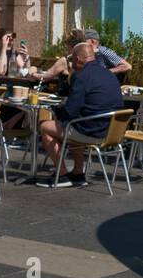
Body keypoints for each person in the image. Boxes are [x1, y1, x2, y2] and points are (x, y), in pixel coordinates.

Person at [38, 42, 126, 186]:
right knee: (75, 123)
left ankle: (62, 175)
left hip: (92, 132)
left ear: (78, 59)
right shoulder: (109, 74)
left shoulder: (82, 76)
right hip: (110, 131)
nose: (71, 63)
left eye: (72, 59)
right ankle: (78, 173)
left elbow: (71, 110)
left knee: (45, 127)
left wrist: (55, 111)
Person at [40, 28, 132, 82]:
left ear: (92, 41)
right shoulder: (86, 53)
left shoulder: (103, 51)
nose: (83, 44)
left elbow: (127, 66)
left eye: (85, 41)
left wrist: (104, 73)